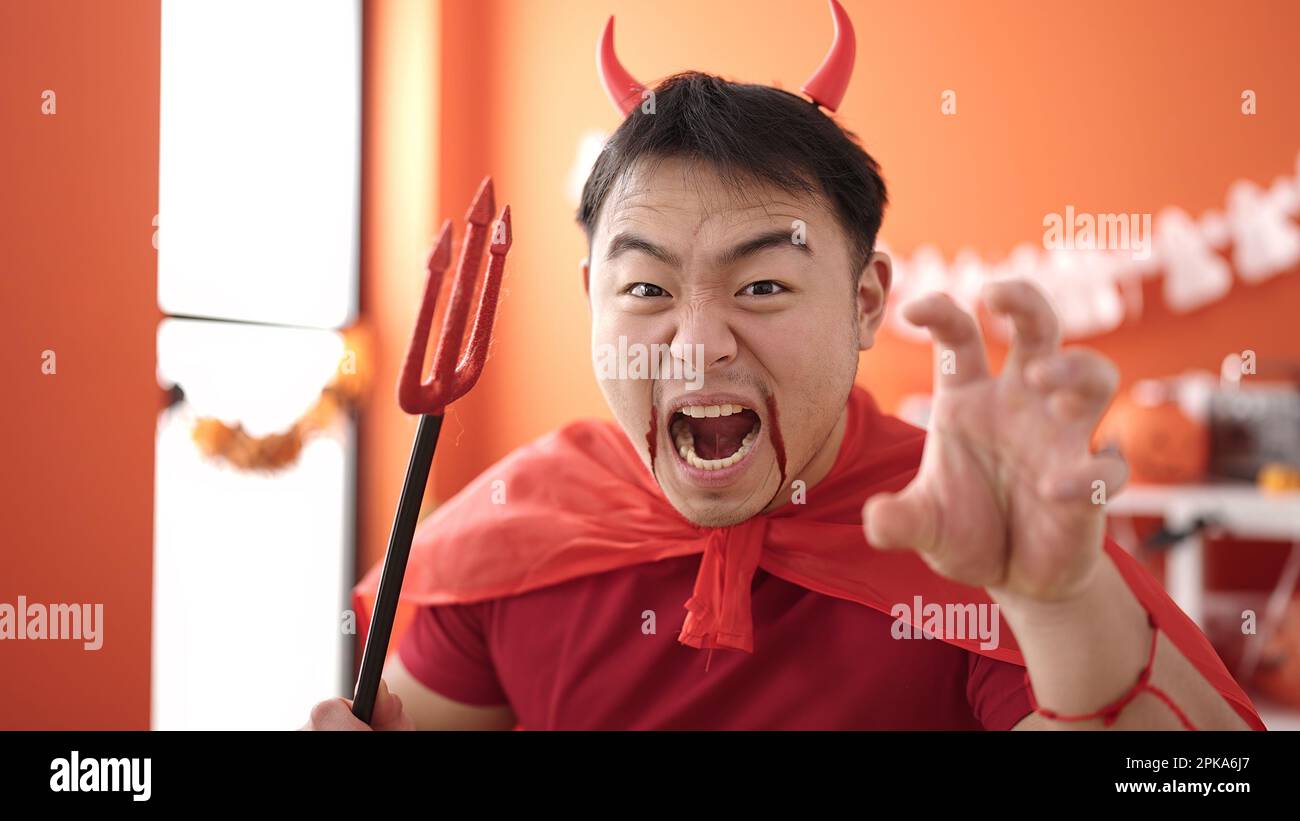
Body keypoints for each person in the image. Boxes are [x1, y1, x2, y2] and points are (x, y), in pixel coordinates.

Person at [305, 6, 1263, 731]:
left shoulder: (966, 536)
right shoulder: (511, 533)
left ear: (866, 302)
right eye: (645, 291)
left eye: (761, 286)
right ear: (589, 295)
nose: (697, 344)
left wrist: (1062, 610)